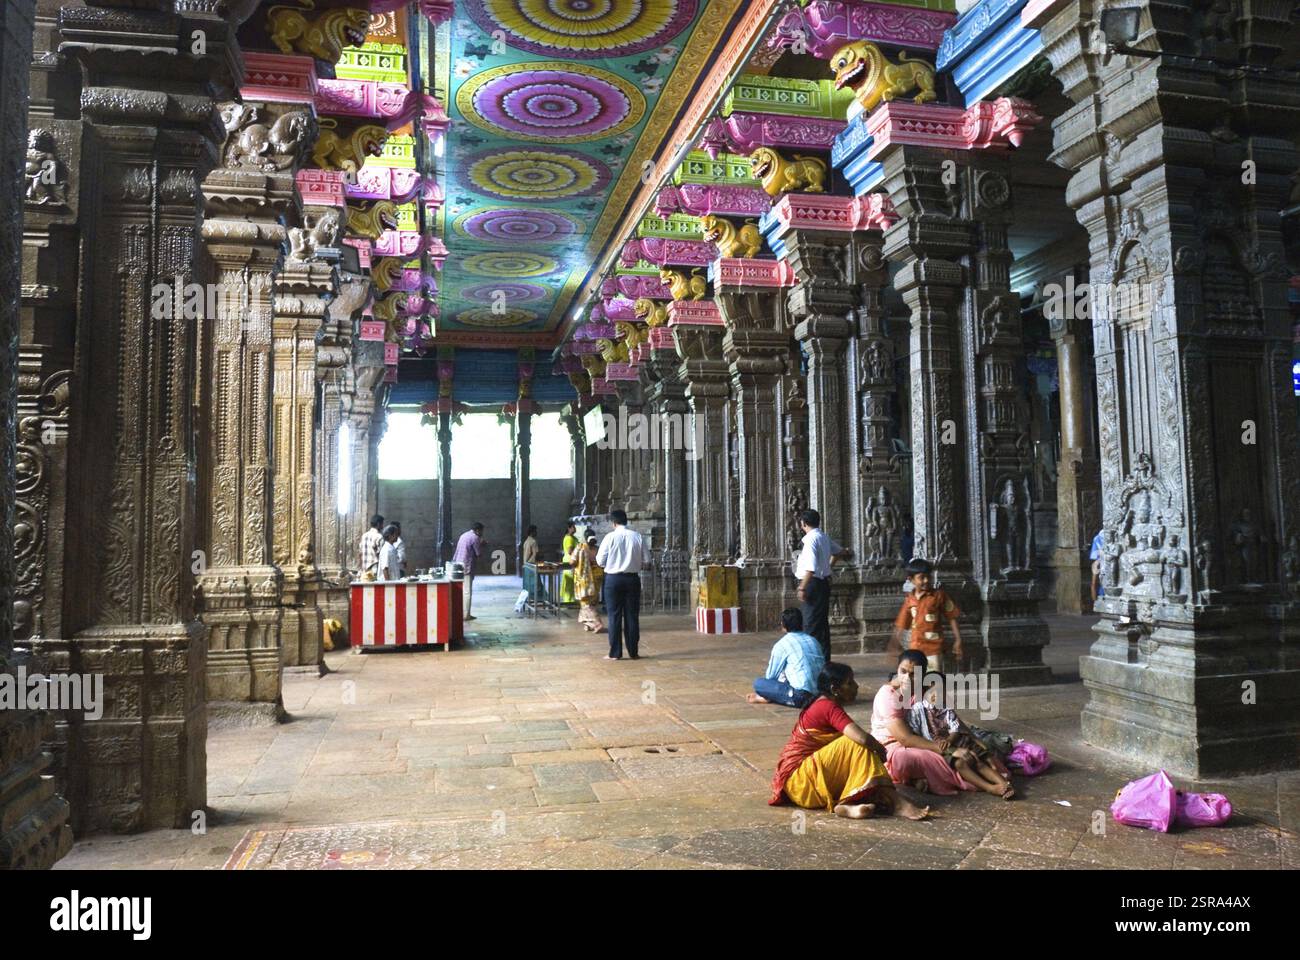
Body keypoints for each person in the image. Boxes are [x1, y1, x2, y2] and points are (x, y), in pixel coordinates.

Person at [770, 662, 930, 820]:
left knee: (860, 755)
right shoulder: (827, 707)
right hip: (801, 783)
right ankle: (897, 803)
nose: (856, 686)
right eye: (850, 682)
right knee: (857, 743)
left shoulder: (825, 703)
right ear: (835, 689)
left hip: (807, 786)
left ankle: (847, 805)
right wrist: (881, 750)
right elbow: (861, 738)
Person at [870, 651, 975, 796]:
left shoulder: (922, 688)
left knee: (970, 744)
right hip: (893, 747)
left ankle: (918, 778)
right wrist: (948, 750)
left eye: (913, 674)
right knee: (920, 758)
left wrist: (972, 736)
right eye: (903, 671)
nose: (907, 678)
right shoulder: (887, 695)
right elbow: (905, 739)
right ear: (897, 669)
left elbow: (946, 713)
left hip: (925, 736)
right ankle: (959, 779)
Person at [907, 672, 1015, 799]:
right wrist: (940, 745)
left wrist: (949, 739)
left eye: (942, 692)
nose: (937, 696)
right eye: (933, 692)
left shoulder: (945, 707)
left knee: (979, 761)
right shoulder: (917, 710)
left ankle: (1005, 784)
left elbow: (955, 728)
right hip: (937, 746)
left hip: (954, 741)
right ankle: (990, 788)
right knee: (960, 764)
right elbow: (914, 732)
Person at [793, 509, 850, 657]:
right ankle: (824, 660)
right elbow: (840, 552)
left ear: (803, 523)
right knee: (822, 625)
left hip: (812, 584)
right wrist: (828, 567)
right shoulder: (823, 537)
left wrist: (802, 587)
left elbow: (810, 568)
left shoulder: (811, 540)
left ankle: (812, 660)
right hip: (822, 583)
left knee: (810, 624)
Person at [891, 557, 962, 671]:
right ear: (911, 579)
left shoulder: (939, 596)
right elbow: (902, 622)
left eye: (928, 577)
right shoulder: (909, 599)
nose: (926, 580)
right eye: (921, 578)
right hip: (915, 647)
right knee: (917, 680)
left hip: (934, 648)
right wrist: (894, 643)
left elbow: (952, 617)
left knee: (933, 679)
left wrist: (958, 640)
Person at [596, 509, 648, 660]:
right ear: (626, 521)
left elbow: (600, 561)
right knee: (632, 616)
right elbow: (647, 561)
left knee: (614, 616)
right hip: (632, 580)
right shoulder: (637, 536)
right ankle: (633, 652)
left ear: (613, 523)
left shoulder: (609, 537)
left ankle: (615, 653)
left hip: (613, 580)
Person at [747, 608, 825, 708]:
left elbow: (771, 676)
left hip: (802, 697)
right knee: (787, 671)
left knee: (759, 683)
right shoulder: (813, 640)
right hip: (821, 694)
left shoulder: (782, 644)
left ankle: (768, 697)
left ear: (783, 625)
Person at [572, 534, 604, 632]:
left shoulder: (580, 547)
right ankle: (588, 624)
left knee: (585, 603)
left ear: (585, 538)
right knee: (593, 601)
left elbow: (572, 562)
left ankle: (596, 623)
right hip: (598, 576)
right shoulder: (598, 549)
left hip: (585, 579)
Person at [453, 522, 485, 620]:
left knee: (460, 591)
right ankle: (466, 615)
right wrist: (482, 543)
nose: (482, 533)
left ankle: (460, 613)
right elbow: (478, 553)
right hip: (467, 567)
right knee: (467, 592)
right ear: (478, 530)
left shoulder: (464, 535)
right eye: (482, 531)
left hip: (458, 566)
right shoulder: (475, 538)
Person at [360, 514, 384, 581]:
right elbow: (381, 554)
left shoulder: (364, 536)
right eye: (382, 524)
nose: (383, 526)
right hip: (374, 568)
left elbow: (360, 552)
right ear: (378, 524)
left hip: (365, 568)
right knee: (375, 590)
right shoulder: (379, 536)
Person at [560, 521, 579, 605]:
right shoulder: (569, 538)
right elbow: (570, 551)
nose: (575, 528)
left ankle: (571, 600)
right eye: (573, 527)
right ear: (569, 528)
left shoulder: (573, 538)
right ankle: (568, 601)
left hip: (573, 562)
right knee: (569, 583)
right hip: (569, 562)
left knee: (572, 583)